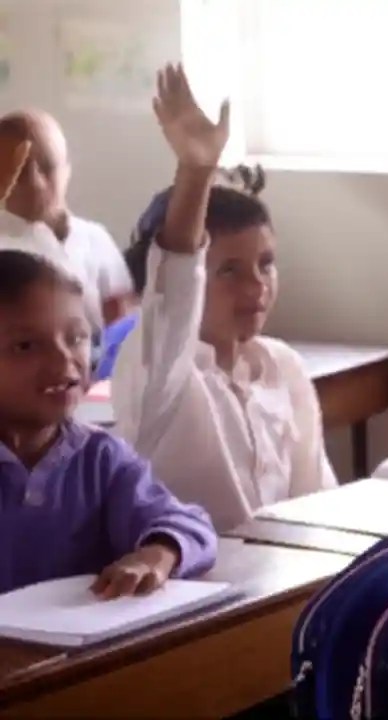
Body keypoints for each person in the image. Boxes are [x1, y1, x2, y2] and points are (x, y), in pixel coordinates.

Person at [112, 64, 336, 531]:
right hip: (197, 583)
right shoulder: (160, 367)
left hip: (281, 580)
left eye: (266, 264)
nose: (256, 287)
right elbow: (174, 288)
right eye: (229, 270)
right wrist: (196, 172)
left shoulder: (282, 366)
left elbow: (320, 504)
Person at [0, 247, 216, 595]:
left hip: (83, 646)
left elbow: (188, 524)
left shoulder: (101, 459)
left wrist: (156, 554)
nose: (64, 360)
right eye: (25, 346)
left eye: (76, 338)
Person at [0, 109, 135, 342]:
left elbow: (123, 318)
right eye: (20, 172)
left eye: (48, 166)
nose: (36, 183)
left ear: (67, 169)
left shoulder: (96, 239)